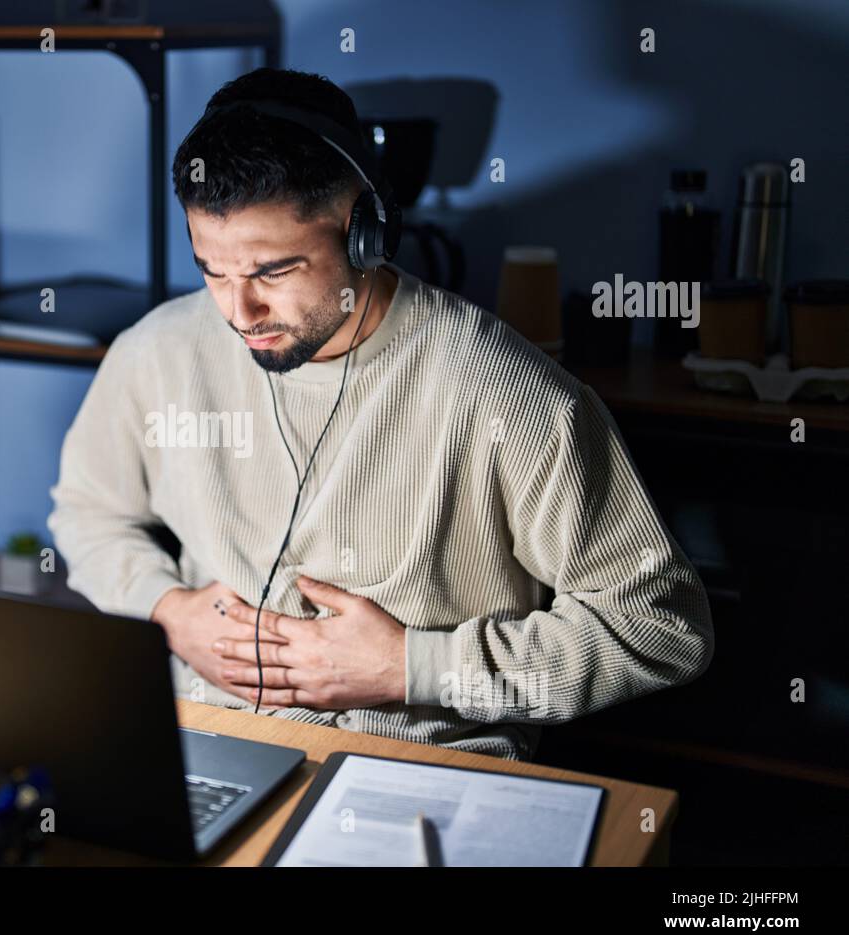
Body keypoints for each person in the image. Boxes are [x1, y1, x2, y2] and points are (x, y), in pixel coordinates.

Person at [48, 67, 713, 760]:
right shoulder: (156, 351)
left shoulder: (507, 392)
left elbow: (659, 627)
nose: (238, 313)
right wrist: (168, 609)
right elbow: (88, 513)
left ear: (364, 232)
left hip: (427, 770)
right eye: (214, 271)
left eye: (273, 272)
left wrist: (411, 667)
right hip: (207, 748)